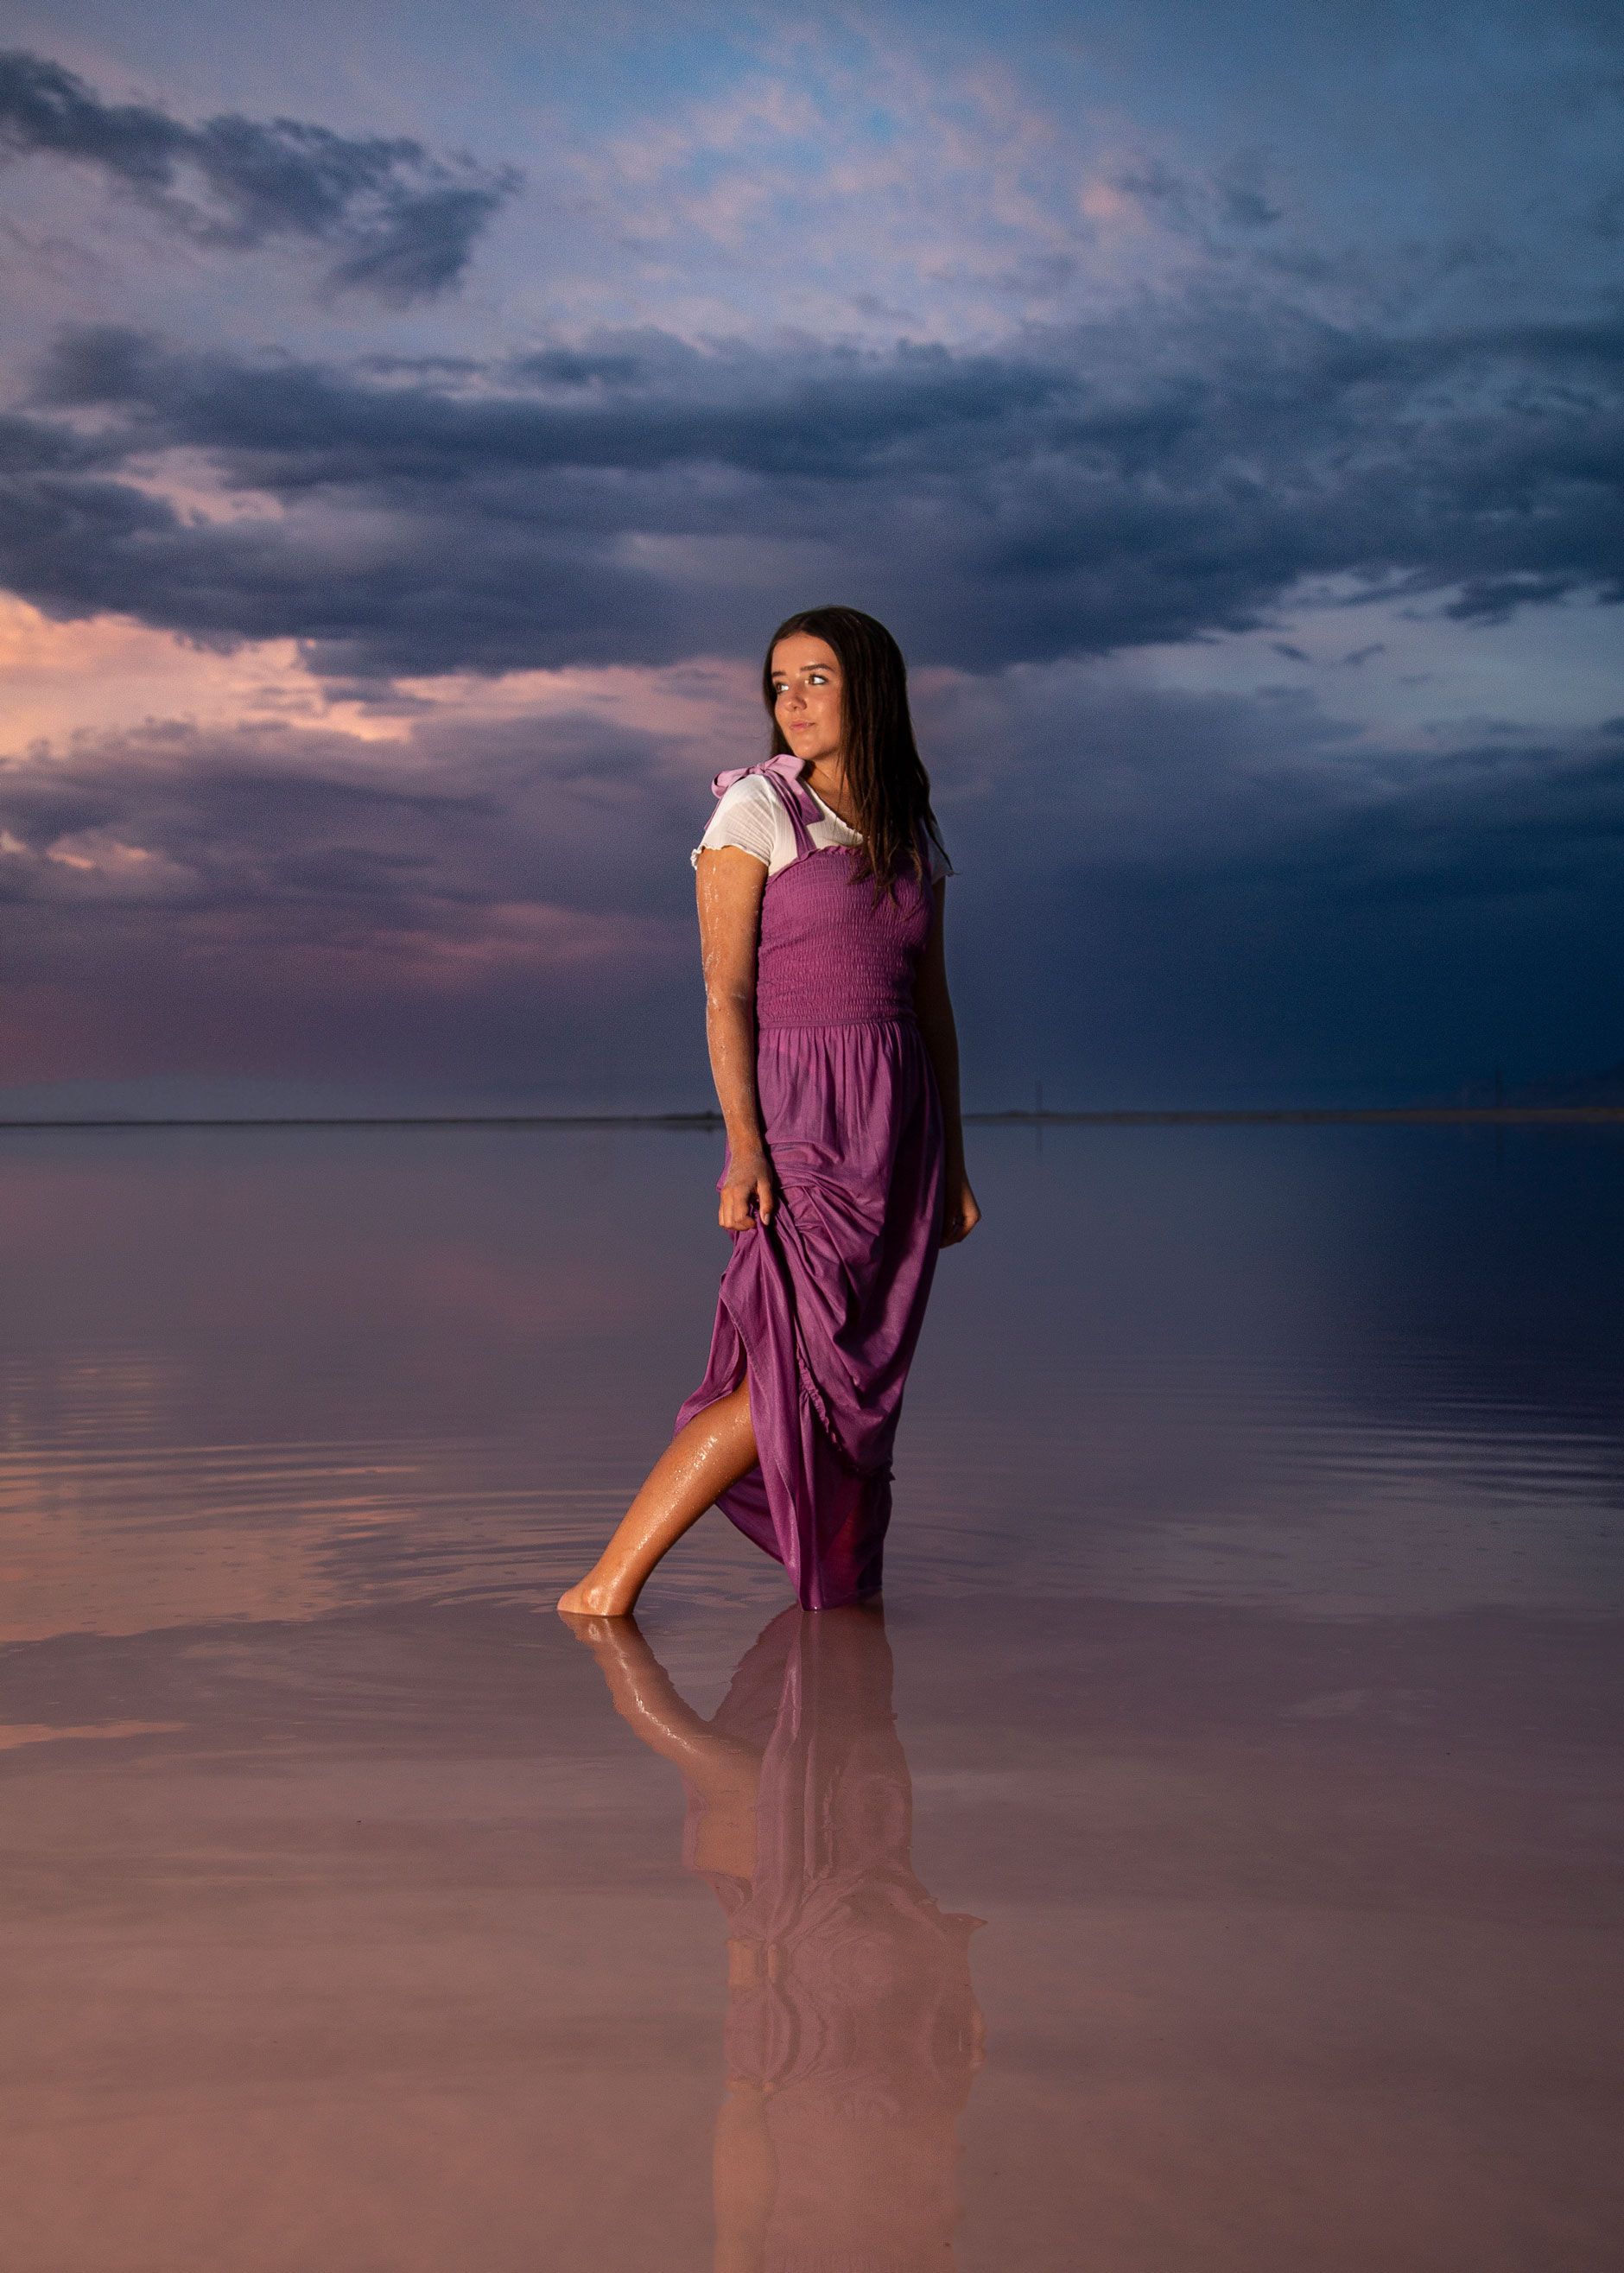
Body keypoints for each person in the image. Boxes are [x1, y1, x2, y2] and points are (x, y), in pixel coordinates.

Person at [557, 605, 980, 1619]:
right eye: (779, 683)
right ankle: (602, 1591)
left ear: (869, 688)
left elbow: (934, 1012)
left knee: (854, 1391)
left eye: (816, 679)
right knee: (789, 1379)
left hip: (898, 1134)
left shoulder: (911, 832)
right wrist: (744, 1151)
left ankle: (838, 1622)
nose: (790, 700)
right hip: (799, 1126)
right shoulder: (753, 810)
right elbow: (725, 994)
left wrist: (951, 1162)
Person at [567, 1604, 986, 2266]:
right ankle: (799, 1616)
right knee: (839, 1710)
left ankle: (643, 1642)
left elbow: (750, 2101)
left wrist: (734, 2251)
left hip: (822, 1982)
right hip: (861, 1996)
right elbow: (935, 2159)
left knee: (826, 1715)